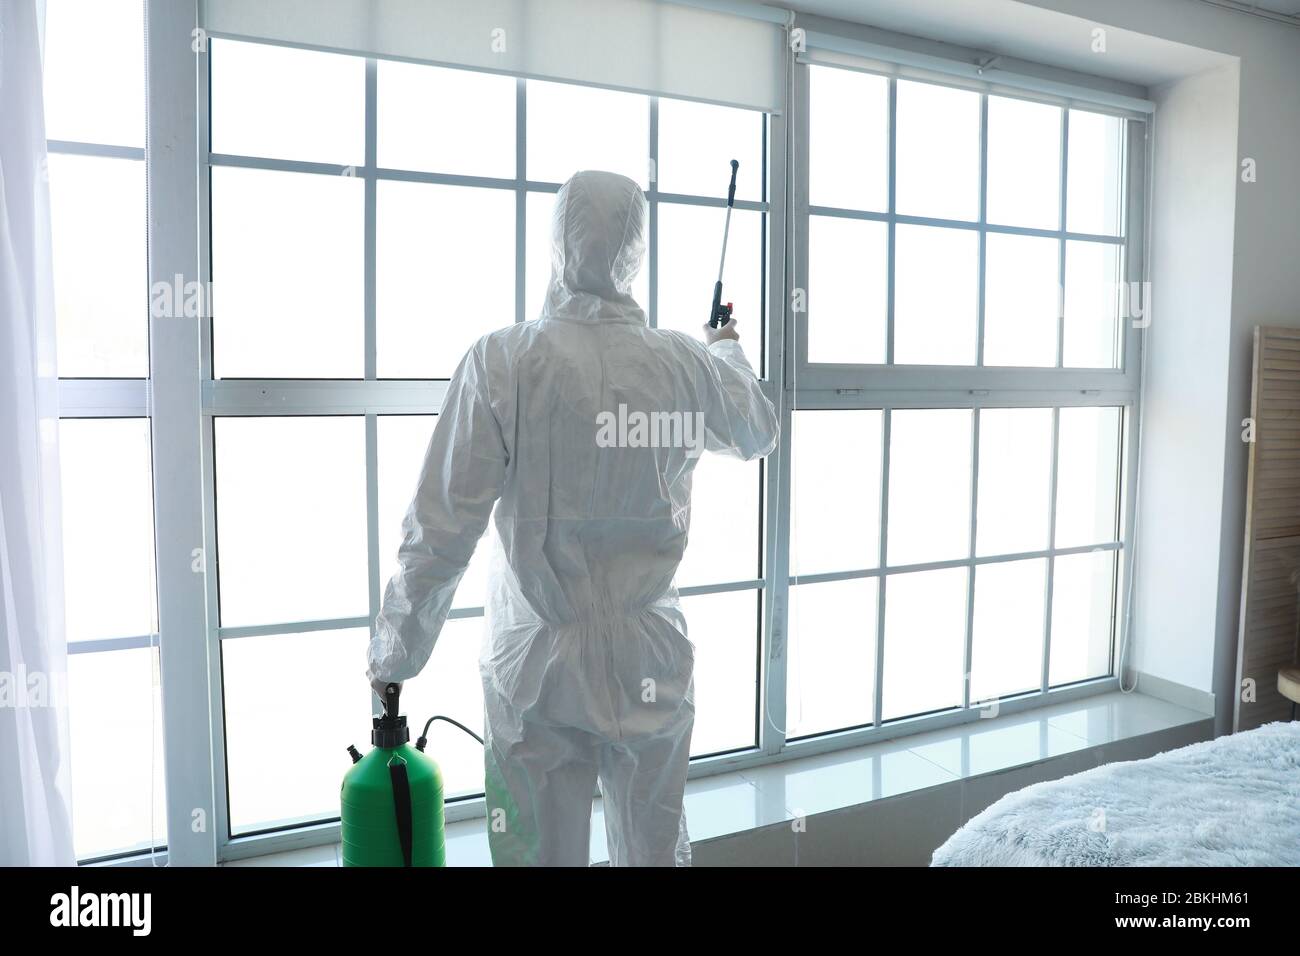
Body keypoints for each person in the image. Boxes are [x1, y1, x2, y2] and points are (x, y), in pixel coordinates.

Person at [367, 169, 779, 866]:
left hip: (539, 666)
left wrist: (394, 655)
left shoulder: (505, 361)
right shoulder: (680, 362)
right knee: (652, 850)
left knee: (540, 855)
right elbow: (755, 429)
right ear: (635, 250)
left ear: (558, 242)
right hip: (648, 653)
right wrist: (724, 346)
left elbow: (441, 527)